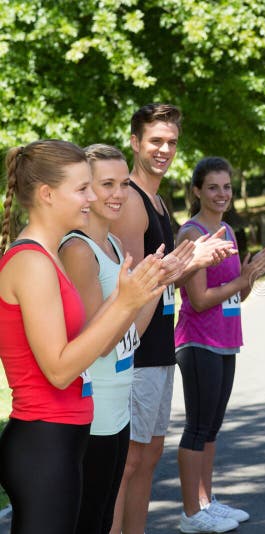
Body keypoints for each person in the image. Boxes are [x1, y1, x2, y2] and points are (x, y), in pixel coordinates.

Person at [0, 140, 165, 534]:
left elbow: (89, 334)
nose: (92, 197)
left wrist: (140, 291)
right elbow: (59, 369)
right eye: (82, 188)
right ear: (46, 194)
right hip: (44, 441)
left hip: (65, 435)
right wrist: (126, 303)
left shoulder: (49, 255)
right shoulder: (32, 262)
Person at [109, 103, 236, 534]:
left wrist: (194, 260)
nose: (164, 149)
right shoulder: (130, 200)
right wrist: (191, 260)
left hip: (161, 348)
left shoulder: (159, 202)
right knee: (128, 462)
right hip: (136, 349)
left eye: (171, 142)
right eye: (155, 141)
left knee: (148, 458)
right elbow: (133, 284)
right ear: (134, 143)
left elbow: (163, 280)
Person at [59, 144, 184, 534]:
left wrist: (153, 284)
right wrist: (138, 295)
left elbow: (132, 334)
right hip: (92, 412)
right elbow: (102, 339)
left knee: (102, 513)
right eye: (106, 184)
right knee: (91, 518)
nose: (118, 194)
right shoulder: (79, 249)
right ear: (86, 190)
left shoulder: (113, 244)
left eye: (124, 184)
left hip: (119, 406)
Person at [175, 156, 265, 533]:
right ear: (197, 191)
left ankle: (208, 501)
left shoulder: (228, 231)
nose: (221, 194)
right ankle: (191, 513)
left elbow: (239, 293)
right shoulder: (192, 236)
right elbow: (201, 298)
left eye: (227, 187)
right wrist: (242, 280)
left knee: (213, 427)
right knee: (197, 426)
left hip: (225, 339)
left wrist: (253, 273)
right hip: (197, 341)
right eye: (213, 187)